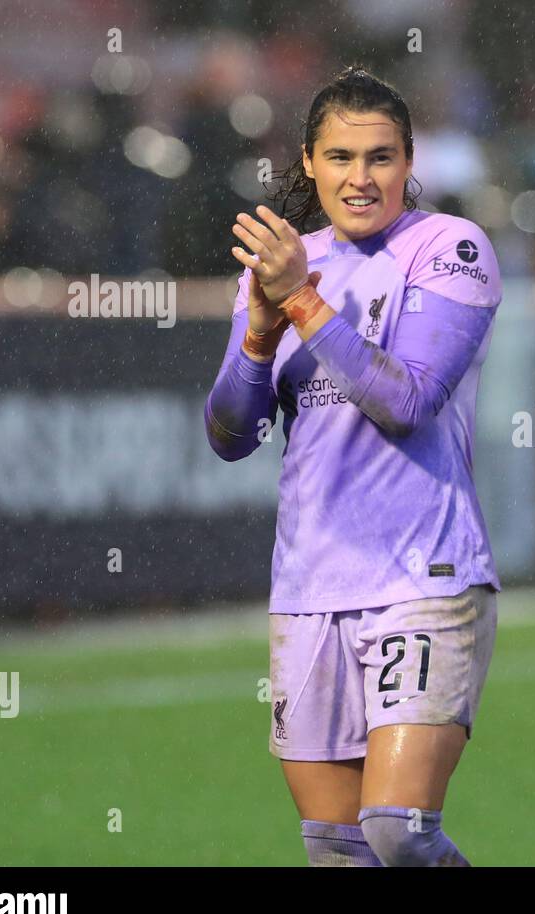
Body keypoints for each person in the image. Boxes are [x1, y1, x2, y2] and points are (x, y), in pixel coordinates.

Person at [204, 66, 502, 867]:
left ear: (411, 163)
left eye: (380, 158)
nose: (359, 178)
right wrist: (262, 332)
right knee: (339, 853)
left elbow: (406, 400)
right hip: (310, 587)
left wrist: (303, 302)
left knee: (399, 832)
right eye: (340, 157)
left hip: (424, 575)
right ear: (309, 161)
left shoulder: (450, 248)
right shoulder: (282, 264)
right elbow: (232, 435)